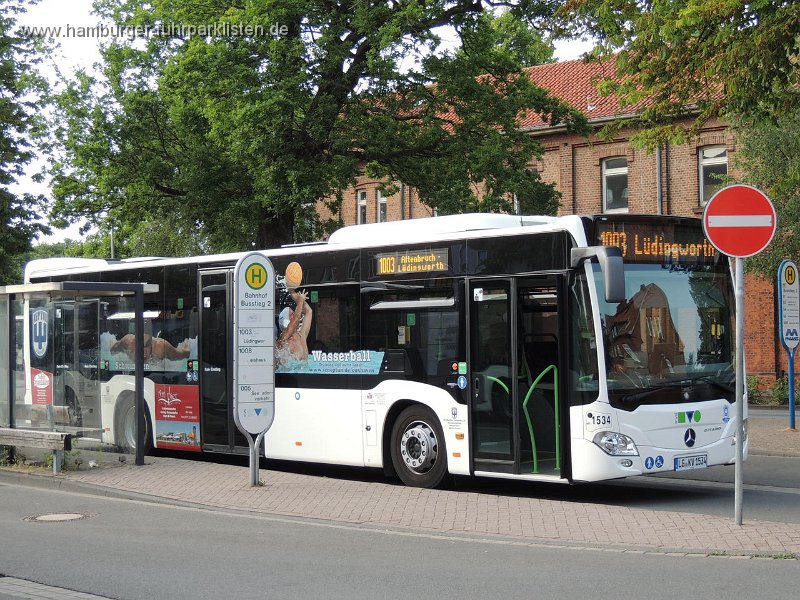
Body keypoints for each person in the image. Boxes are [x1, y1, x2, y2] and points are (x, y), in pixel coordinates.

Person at [276, 289, 313, 366]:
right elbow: (296, 318)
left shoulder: (301, 335)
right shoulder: (283, 339)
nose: (294, 314)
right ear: (286, 322)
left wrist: (292, 293)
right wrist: (300, 300)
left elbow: (309, 312)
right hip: (288, 377)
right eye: (291, 314)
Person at [111, 333, 190, 361]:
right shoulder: (127, 342)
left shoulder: (161, 347)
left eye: (147, 347)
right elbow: (111, 350)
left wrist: (187, 342)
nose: (144, 351)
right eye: (141, 347)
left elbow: (183, 354)